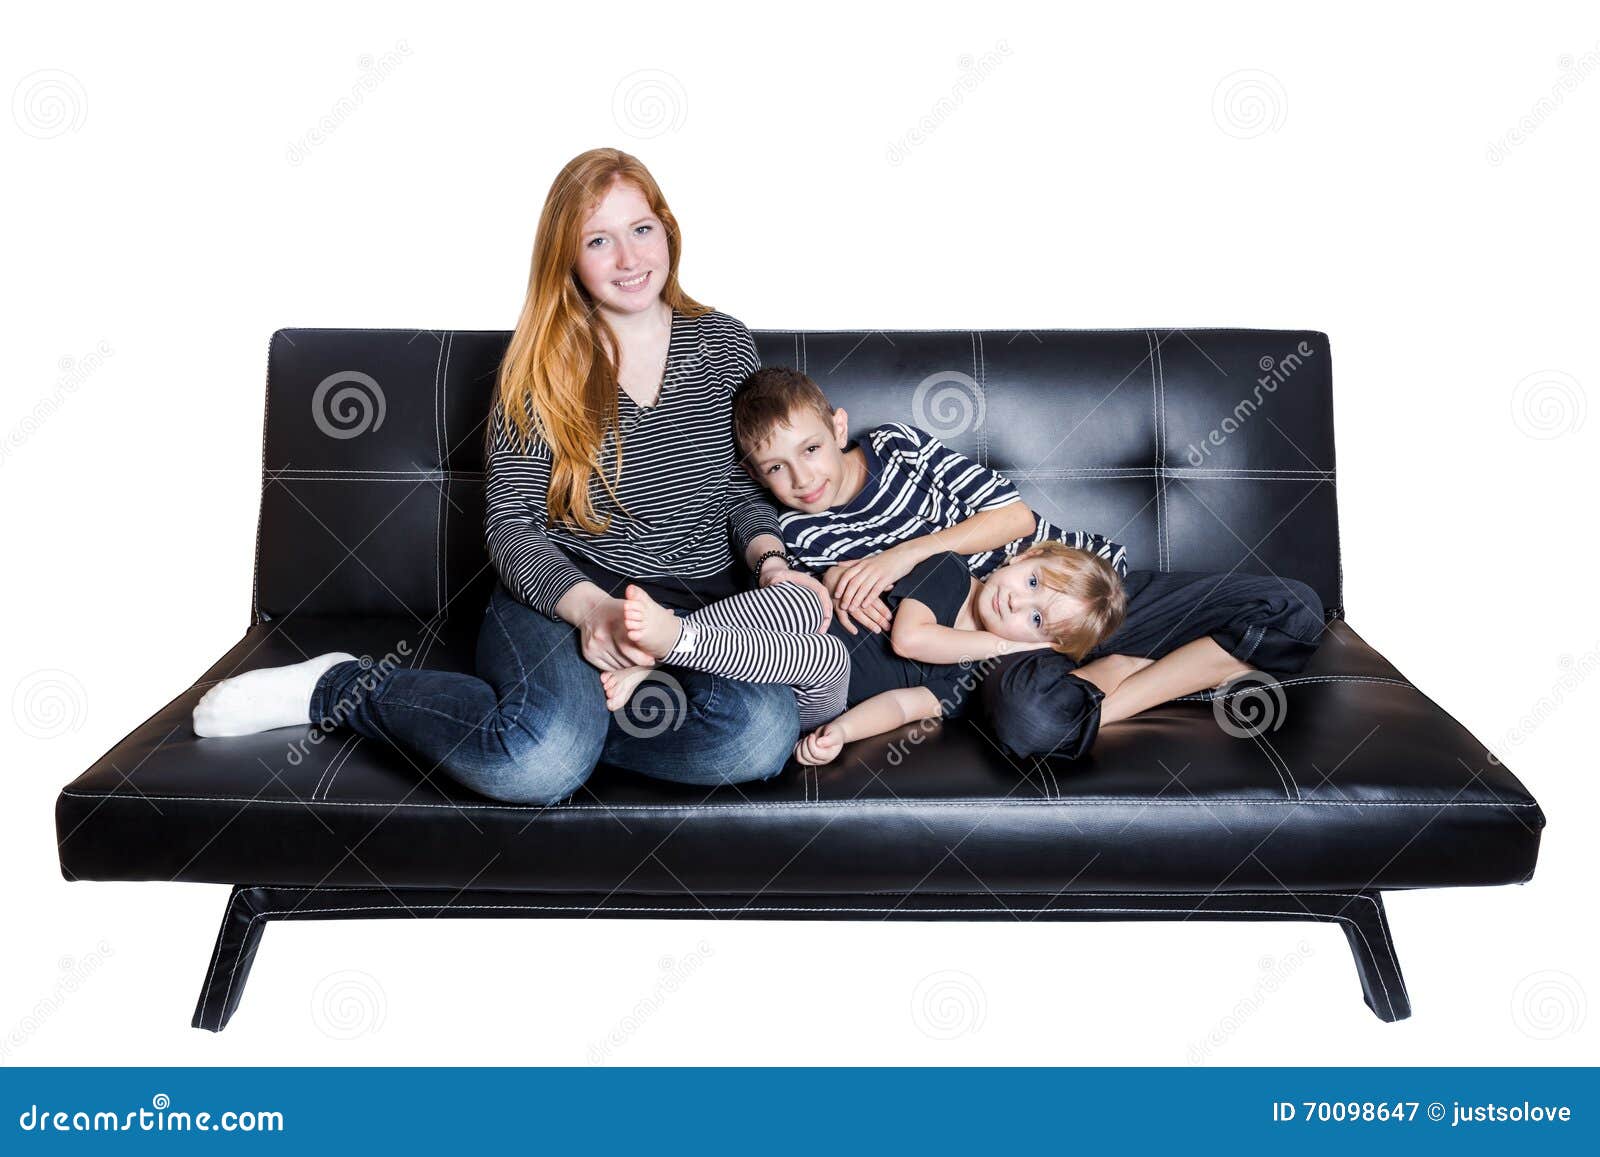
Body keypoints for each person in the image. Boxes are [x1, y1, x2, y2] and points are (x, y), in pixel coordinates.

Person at [190, 147, 824, 804]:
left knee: (758, 739)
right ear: (566, 257)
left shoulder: (724, 342)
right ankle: (343, 687)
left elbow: (741, 490)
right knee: (538, 762)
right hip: (564, 592)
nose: (629, 258)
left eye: (641, 229)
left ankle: (561, 732)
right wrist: (594, 612)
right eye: (598, 241)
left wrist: (771, 562)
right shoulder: (541, 364)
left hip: (700, 608)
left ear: (667, 229)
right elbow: (512, 526)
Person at [731, 366, 1327, 759]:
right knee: (1033, 724)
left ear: (838, 427)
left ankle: (1118, 682)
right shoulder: (794, 533)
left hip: (1082, 587)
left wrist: (902, 554)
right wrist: (832, 583)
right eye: (776, 468)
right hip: (994, 648)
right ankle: (1138, 678)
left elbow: (1014, 518)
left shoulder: (896, 445)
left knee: (1291, 605)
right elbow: (847, 616)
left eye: (811, 448)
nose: (803, 477)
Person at [603, 542, 1126, 767]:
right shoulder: (947, 571)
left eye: (1035, 620)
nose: (1016, 602)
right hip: (762, 644)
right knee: (806, 596)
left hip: (813, 696)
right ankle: (665, 649)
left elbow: (902, 706)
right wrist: (1003, 641)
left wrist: (843, 733)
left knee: (829, 657)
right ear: (1026, 555)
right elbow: (911, 638)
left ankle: (674, 646)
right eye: (1032, 583)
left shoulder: (974, 678)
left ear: (1041, 645)